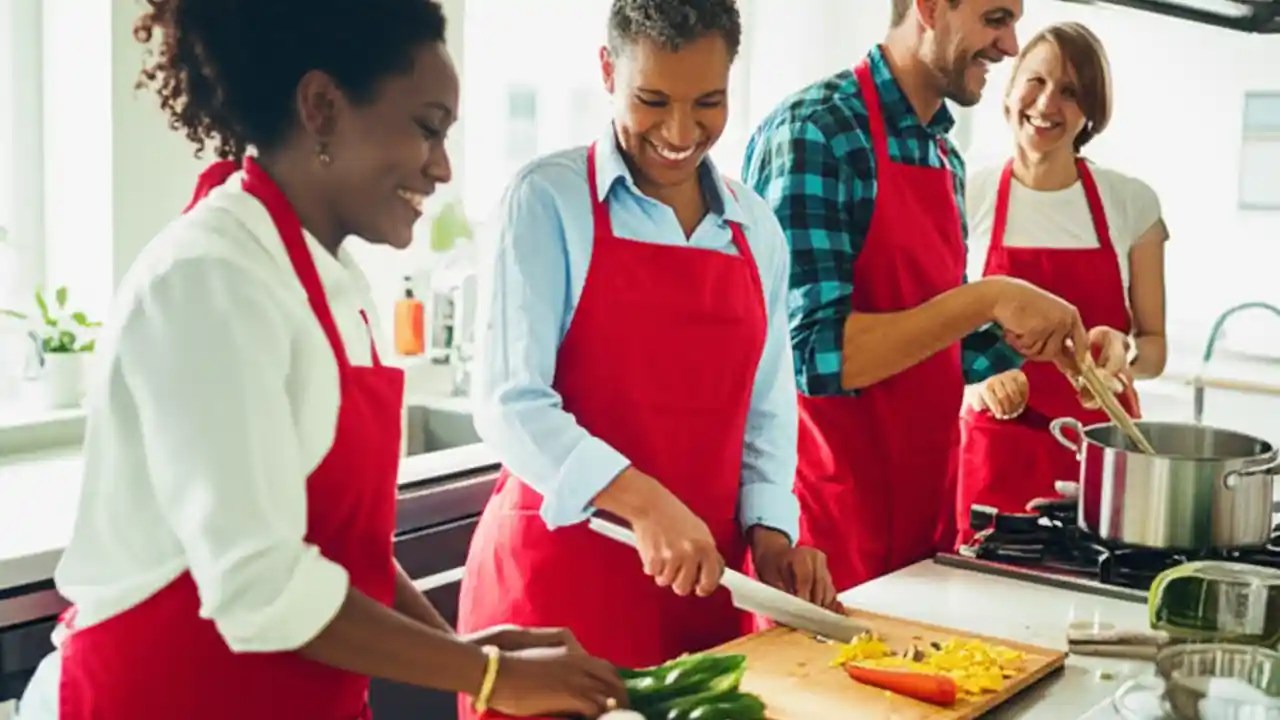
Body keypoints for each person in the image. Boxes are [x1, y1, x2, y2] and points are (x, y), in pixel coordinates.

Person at [16, 2, 627, 719]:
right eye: (427, 129)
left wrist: (472, 660)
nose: (442, 167)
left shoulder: (337, 287)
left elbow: (339, 545)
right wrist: (487, 672)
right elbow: (262, 585)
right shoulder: (212, 279)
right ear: (322, 107)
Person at [457, 1, 838, 715]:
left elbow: (767, 413)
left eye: (709, 102)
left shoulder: (756, 226)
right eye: (652, 100)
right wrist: (645, 502)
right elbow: (511, 403)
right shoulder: (549, 200)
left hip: (702, 596)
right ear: (608, 71)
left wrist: (774, 538)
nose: (680, 132)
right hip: (559, 599)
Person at [742, 0, 1130, 592]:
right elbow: (816, 357)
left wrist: (1039, 348)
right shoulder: (817, 131)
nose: (1008, 45)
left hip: (924, 528)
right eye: (995, 18)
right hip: (827, 536)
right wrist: (990, 297)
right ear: (927, 7)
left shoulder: (941, 152)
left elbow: (931, 334)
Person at [955, 21, 1168, 544]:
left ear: (1091, 111)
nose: (1048, 103)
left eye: (1071, 92)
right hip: (996, 452)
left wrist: (1125, 354)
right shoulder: (964, 193)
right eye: (1036, 81)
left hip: (1103, 455)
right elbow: (937, 336)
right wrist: (977, 383)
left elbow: (1155, 347)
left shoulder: (1131, 202)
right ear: (1008, 90)